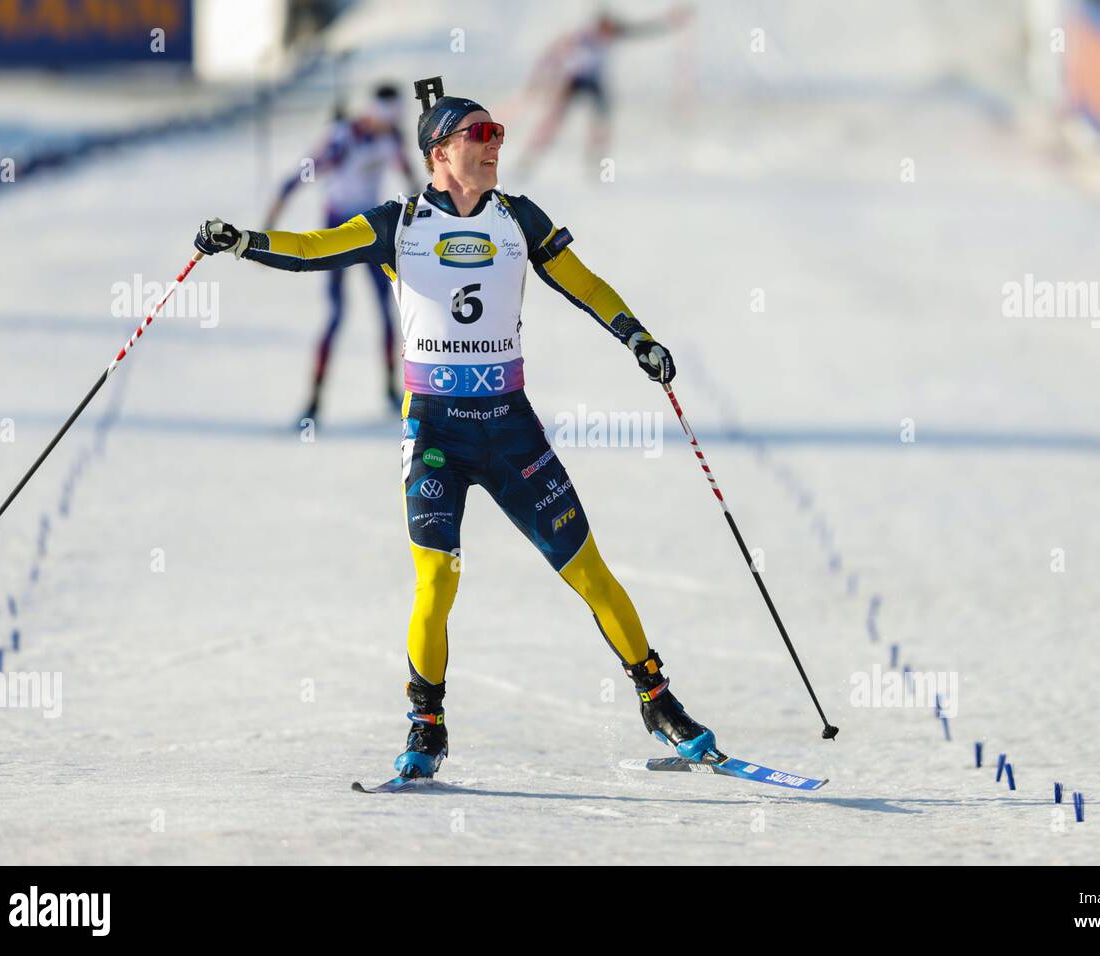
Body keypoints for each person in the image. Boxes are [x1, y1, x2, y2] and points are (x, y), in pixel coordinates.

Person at [192, 77, 717, 782]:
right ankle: (426, 724)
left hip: (509, 427)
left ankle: (659, 701)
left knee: (587, 570)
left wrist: (639, 339)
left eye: (498, 133)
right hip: (436, 427)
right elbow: (313, 247)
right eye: (480, 135)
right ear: (439, 151)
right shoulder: (397, 224)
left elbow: (586, 284)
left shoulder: (517, 219)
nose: (495, 144)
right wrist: (243, 242)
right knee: (436, 580)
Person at [263, 82, 416, 424]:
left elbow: (412, 180)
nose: (391, 127)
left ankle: (392, 391)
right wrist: (268, 231)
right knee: (335, 313)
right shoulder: (343, 139)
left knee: (388, 308)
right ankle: (314, 402)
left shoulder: (390, 137)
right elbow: (294, 181)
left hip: (374, 230)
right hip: (337, 230)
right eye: (388, 120)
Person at [515, 7, 692, 174]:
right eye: (605, 31)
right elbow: (552, 52)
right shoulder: (583, 35)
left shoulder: (613, 32)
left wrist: (669, 22)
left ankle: (598, 164)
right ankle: (530, 158)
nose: (607, 36)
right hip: (575, 79)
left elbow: (641, 30)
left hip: (594, 82)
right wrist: (540, 79)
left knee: (602, 120)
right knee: (553, 120)